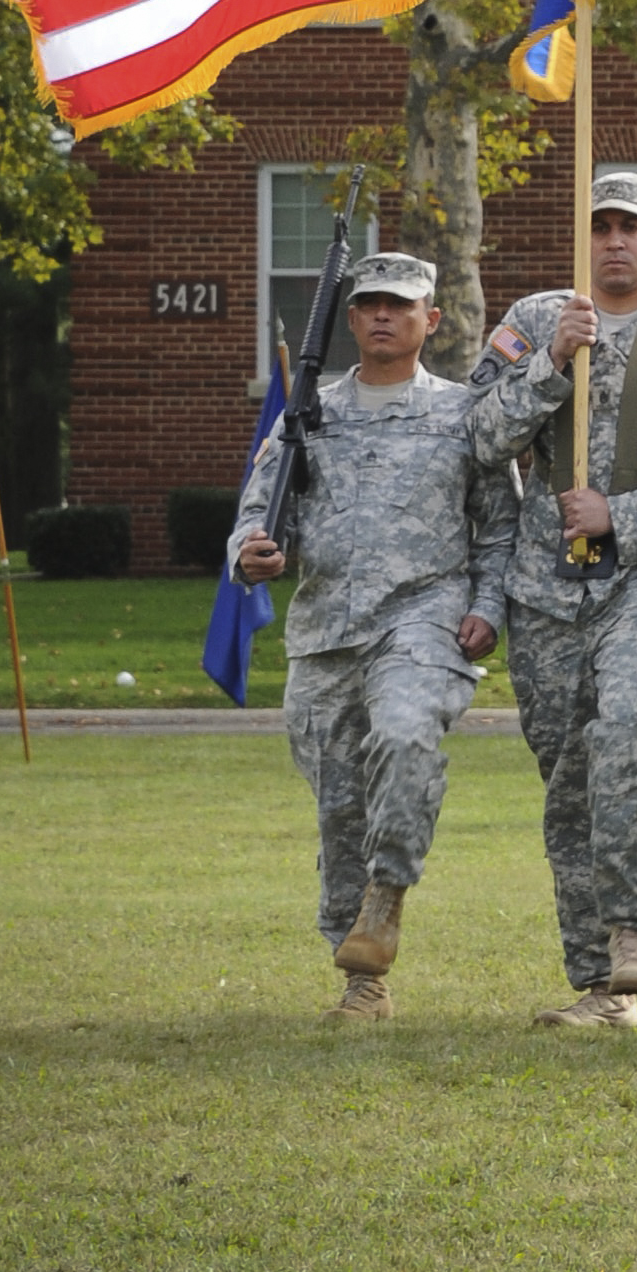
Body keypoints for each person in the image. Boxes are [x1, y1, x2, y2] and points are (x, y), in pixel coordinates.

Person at [467, 172, 637, 1029]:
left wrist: (621, 515)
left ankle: (635, 929)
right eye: (600, 225)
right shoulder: (534, 323)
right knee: (569, 782)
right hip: (547, 586)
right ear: (581, 236)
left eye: (632, 226)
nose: (615, 240)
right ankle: (599, 988)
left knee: (630, 726)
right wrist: (552, 366)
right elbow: (478, 438)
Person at [228, 251, 517, 1025]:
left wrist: (489, 605)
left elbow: (499, 527)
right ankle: (362, 978)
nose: (383, 316)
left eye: (400, 304)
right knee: (338, 810)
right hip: (324, 632)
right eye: (369, 305)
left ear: (433, 318)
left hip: (424, 616)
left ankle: (388, 890)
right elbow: (258, 512)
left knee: (403, 734)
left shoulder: (463, 414)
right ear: (350, 319)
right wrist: (250, 553)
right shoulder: (306, 413)